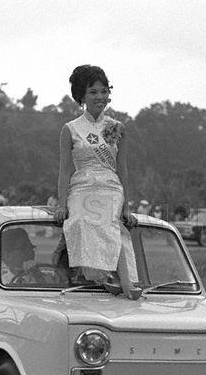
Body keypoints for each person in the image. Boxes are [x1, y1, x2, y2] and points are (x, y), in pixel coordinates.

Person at [54, 64, 141, 300]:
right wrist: (62, 204)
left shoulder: (116, 127)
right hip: (81, 185)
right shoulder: (70, 129)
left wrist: (126, 206)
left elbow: (122, 169)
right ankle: (101, 276)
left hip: (110, 186)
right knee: (80, 220)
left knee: (108, 222)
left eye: (104, 91)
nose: (100, 97)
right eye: (93, 92)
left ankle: (124, 280)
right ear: (81, 96)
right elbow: (64, 171)